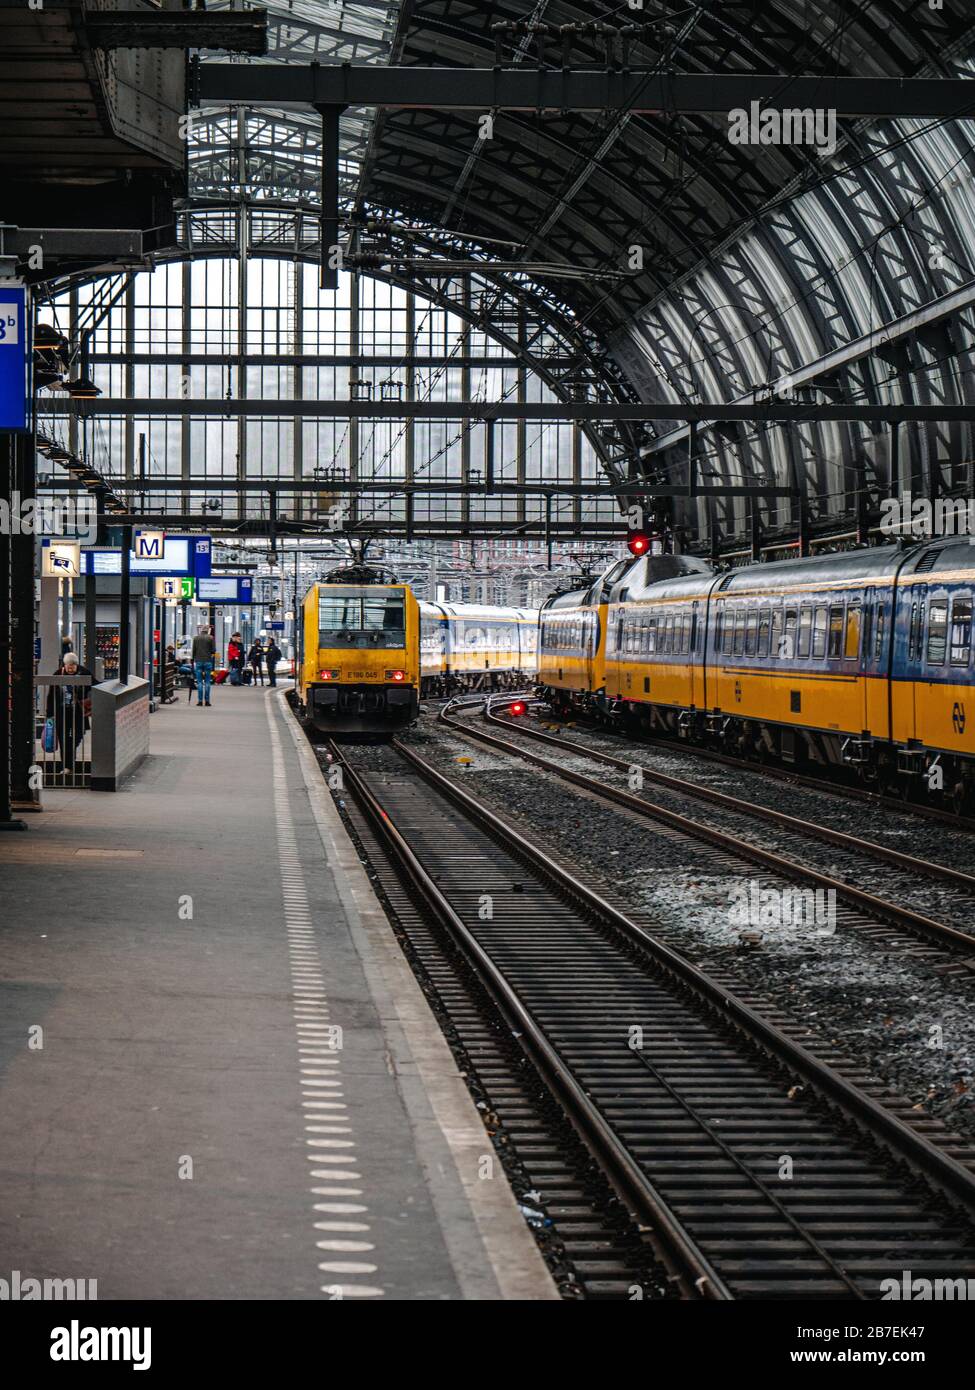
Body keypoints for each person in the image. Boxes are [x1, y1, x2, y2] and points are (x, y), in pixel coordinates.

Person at [45, 651, 92, 773]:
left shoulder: (84, 672)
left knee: (76, 737)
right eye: (68, 666)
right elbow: (51, 696)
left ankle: (69, 762)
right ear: (64, 665)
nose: (70, 669)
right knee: (64, 740)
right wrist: (49, 714)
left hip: (78, 713)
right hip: (61, 713)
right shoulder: (58, 674)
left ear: (76, 665)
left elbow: (95, 684)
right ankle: (67, 766)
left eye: (73, 666)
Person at [191, 625, 216, 707]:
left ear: (201, 630)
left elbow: (193, 650)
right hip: (208, 661)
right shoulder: (211, 638)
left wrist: (193, 659)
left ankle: (200, 701)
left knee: (199, 682)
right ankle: (207, 701)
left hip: (198, 661)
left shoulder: (196, 638)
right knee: (207, 682)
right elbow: (213, 650)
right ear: (208, 630)